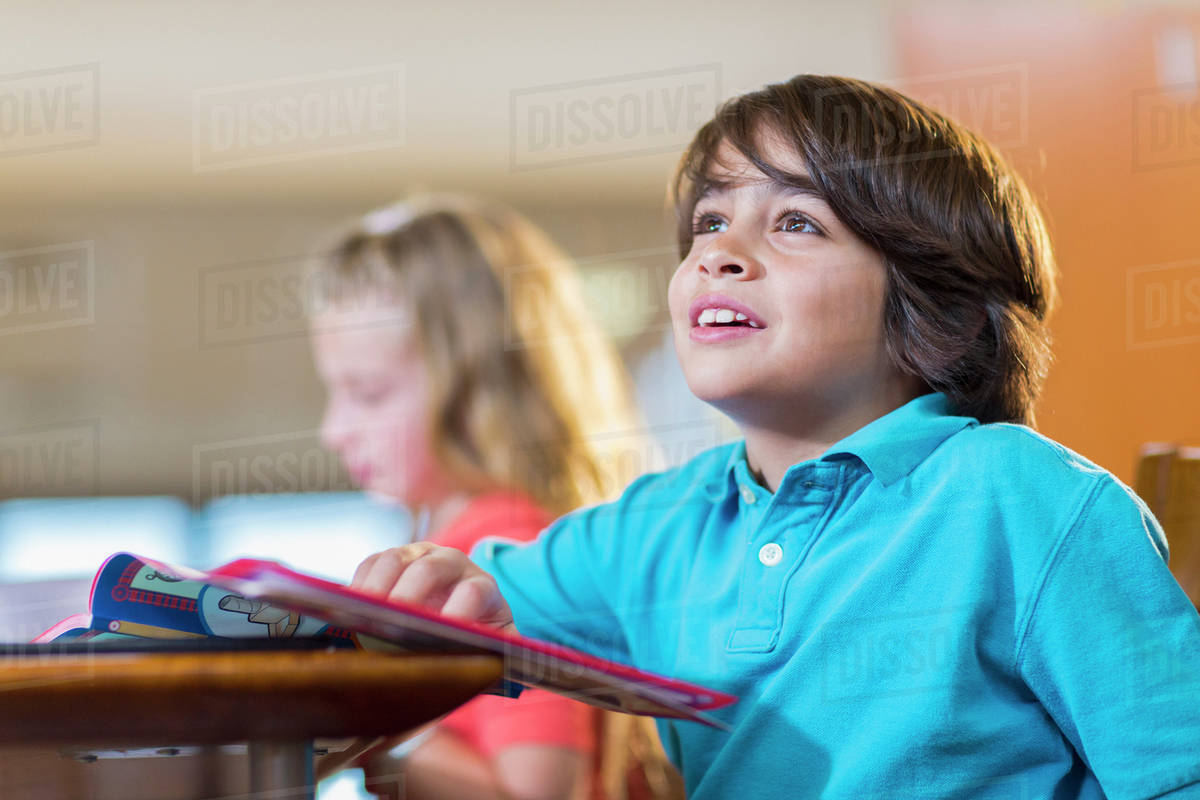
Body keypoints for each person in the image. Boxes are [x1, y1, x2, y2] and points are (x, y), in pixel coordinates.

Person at [349, 76, 1200, 799]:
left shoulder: (1025, 498)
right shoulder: (664, 522)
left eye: (797, 222)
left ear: (932, 310)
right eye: (710, 223)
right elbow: (485, 602)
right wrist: (446, 584)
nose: (721, 252)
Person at [311, 195, 677, 800]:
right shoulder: (479, 537)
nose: (333, 429)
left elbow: (538, 795)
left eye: (368, 393)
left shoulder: (499, 544)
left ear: (481, 393)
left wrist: (369, 735)